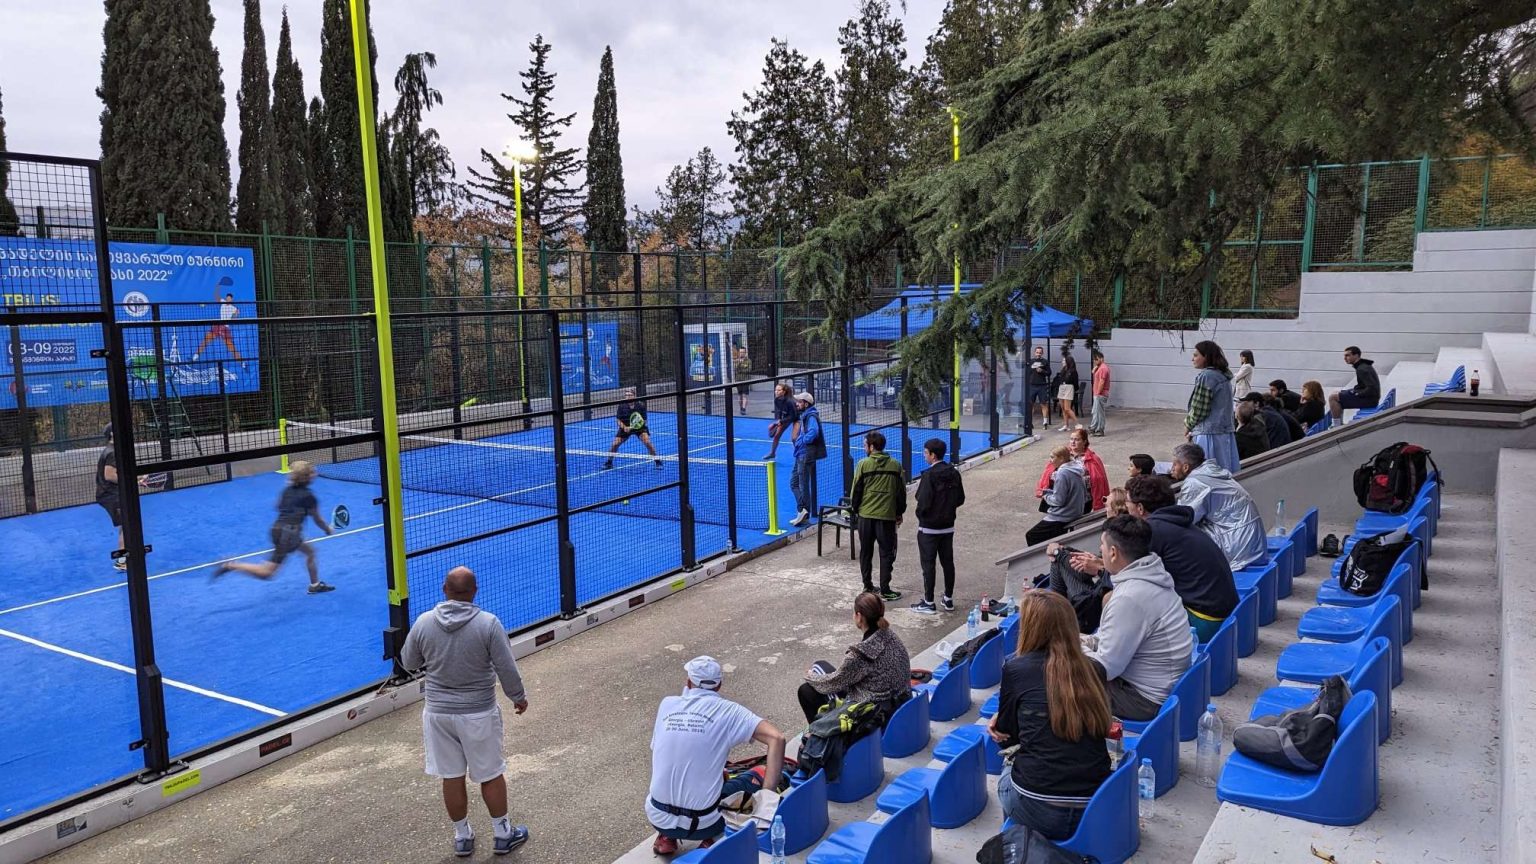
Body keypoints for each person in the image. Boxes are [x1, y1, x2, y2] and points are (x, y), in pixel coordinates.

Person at [399, 566, 531, 857]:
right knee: (490, 774)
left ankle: (462, 837)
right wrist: (518, 697)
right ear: (474, 591)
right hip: (478, 712)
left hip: (438, 713)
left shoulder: (424, 622)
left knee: (451, 776)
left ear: (444, 589)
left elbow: (408, 662)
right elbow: (506, 667)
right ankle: (502, 833)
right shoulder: (488, 624)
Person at [986, 590, 1112, 841]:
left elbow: (1008, 737)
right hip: (1095, 803)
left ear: (1030, 627)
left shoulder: (1016, 668)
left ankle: (1017, 845)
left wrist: (1003, 723)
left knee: (1006, 766)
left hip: (1037, 804)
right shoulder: (1095, 669)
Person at [647, 656, 786, 856]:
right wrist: (767, 799)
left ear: (688, 682)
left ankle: (666, 837)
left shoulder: (667, 704)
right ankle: (712, 839)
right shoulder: (730, 711)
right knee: (756, 775)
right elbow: (777, 738)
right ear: (719, 685)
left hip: (657, 817)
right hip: (705, 824)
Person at [1081, 516, 1193, 720]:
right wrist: (1085, 642)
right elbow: (1115, 642)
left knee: (1050, 677)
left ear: (1113, 552)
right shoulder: (1152, 575)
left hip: (1143, 700)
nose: (1100, 550)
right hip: (1162, 684)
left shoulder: (1129, 598)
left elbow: (1105, 668)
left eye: (1102, 546)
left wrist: (1068, 650)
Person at [1123, 475, 1238, 641]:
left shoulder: (1152, 530)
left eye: (1127, 503)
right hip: (1226, 615)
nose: (1125, 508)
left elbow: (1134, 576)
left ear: (1140, 508)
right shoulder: (1179, 524)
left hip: (1207, 621)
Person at [211, 461, 336, 593]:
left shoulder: (286, 491)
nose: (315, 474)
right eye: (312, 472)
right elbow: (318, 520)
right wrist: (327, 529)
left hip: (278, 529)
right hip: (289, 535)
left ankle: (315, 585)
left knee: (310, 551)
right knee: (267, 573)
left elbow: (278, 506)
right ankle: (231, 565)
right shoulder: (309, 497)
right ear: (306, 477)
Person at [799, 593, 913, 722]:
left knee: (806, 690)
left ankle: (820, 731)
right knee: (820, 665)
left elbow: (832, 684)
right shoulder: (890, 636)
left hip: (872, 714)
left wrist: (810, 676)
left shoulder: (860, 655)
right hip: (897, 703)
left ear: (859, 616)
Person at [1170, 442, 1267, 571]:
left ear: (1185, 467)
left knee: (1178, 535)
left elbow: (1185, 518)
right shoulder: (1212, 473)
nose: (1171, 469)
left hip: (1237, 548)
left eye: (1174, 464)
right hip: (1251, 543)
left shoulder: (1195, 482)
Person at [850, 431, 906, 601]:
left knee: (866, 552)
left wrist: (855, 510)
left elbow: (856, 490)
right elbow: (900, 492)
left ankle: (867, 586)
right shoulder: (896, 465)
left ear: (872, 447)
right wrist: (899, 513)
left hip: (866, 517)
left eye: (865, 445)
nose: (864, 447)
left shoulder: (863, 464)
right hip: (886, 517)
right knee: (887, 553)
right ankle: (885, 590)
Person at [912, 438, 965, 614]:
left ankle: (929, 602)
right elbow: (960, 499)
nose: (924, 455)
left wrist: (922, 516)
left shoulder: (929, 475)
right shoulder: (954, 473)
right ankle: (948, 599)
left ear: (933, 455)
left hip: (928, 528)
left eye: (926, 453)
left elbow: (923, 501)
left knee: (928, 565)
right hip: (948, 526)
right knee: (947, 563)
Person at [96, 424, 147, 572]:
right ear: (113, 434)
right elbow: (110, 476)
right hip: (111, 495)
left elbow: (119, 475)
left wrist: (136, 480)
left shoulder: (112, 450)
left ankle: (127, 555)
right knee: (127, 525)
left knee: (126, 524)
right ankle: (122, 561)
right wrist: (133, 481)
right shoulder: (112, 452)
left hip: (112, 493)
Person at [1185, 340, 1241, 474]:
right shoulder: (1222, 375)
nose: (1192, 359)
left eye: (1196, 355)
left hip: (1209, 434)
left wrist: (1188, 425)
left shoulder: (1207, 376)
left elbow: (1199, 408)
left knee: (1208, 472)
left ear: (1206, 357)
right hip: (1224, 432)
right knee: (1224, 470)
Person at [1026, 446, 1086, 546]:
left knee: (1032, 535)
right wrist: (1048, 492)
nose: (1050, 461)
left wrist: (1045, 496)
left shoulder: (1062, 473)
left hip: (1064, 515)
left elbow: (1058, 500)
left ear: (1061, 458)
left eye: (1052, 457)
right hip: (1075, 511)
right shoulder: (1076, 469)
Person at [789, 391, 825, 526]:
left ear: (806, 404)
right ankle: (803, 511)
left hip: (805, 455)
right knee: (794, 483)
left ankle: (803, 511)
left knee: (802, 484)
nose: (797, 404)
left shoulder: (811, 416)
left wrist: (802, 440)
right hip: (800, 454)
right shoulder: (806, 415)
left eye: (799, 402)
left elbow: (814, 432)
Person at [604, 388, 662, 469]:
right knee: (615, 444)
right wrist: (624, 427)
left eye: (630, 395)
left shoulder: (641, 405)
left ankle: (658, 461)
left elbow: (644, 421)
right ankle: (609, 462)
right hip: (625, 427)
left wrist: (634, 426)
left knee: (648, 443)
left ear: (634, 396)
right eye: (626, 395)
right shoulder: (621, 406)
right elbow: (618, 420)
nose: (628, 397)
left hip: (639, 428)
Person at [193, 279, 245, 364]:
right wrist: (217, 286)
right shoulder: (223, 302)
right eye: (227, 298)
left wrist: (236, 314)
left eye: (229, 298)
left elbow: (235, 316)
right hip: (218, 326)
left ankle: (241, 362)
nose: (228, 299)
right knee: (206, 339)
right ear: (226, 298)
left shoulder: (234, 308)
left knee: (230, 346)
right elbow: (216, 296)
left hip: (225, 328)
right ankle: (196, 355)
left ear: (231, 300)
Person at [1329, 345, 1381, 423]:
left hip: (1369, 401)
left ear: (1356, 355)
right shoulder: (1363, 365)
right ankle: (1339, 423)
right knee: (1337, 393)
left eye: (1347, 355)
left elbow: (1371, 388)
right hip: (1371, 398)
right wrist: (1355, 390)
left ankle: (1336, 426)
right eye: (1344, 356)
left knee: (1333, 398)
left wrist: (1357, 393)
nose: (1345, 358)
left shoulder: (1362, 369)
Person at [1069, 428, 1109, 512]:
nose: (1073, 442)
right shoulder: (1063, 455)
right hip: (1066, 497)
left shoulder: (1093, 458)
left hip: (1084, 499)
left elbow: (1099, 480)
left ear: (1084, 442)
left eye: (1077, 439)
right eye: (1071, 439)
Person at [763, 382, 801, 460]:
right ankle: (772, 453)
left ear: (783, 392)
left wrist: (781, 422)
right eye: (776, 390)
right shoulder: (777, 400)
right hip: (787, 417)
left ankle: (799, 454)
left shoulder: (790, 401)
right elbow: (780, 411)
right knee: (776, 436)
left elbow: (793, 416)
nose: (776, 392)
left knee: (794, 438)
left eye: (779, 390)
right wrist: (778, 421)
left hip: (797, 418)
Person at [1053, 347, 1080, 432]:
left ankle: (1077, 424)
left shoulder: (1073, 371)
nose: (1062, 362)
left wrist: (1076, 389)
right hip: (1062, 387)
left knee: (1067, 408)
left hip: (1069, 387)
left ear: (1068, 362)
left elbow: (1075, 382)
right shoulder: (1063, 370)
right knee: (1063, 408)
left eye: (1064, 361)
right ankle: (1066, 425)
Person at [1025, 345, 1052, 431]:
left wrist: (1042, 371)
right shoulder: (1031, 361)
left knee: (1043, 404)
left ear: (1042, 353)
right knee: (1030, 404)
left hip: (1042, 385)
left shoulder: (1045, 361)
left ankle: (1045, 422)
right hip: (1032, 385)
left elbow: (1049, 373)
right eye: (1037, 352)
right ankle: (1029, 422)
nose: (1038, 354)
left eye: (1040, 353)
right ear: (1034, 353)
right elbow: (1024, 370)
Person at [1087, 350, 1111, 436]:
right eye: (1094, 359)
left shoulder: (1103, 368)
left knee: (1099, 413)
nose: (1095, 361)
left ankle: (1099, 429)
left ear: (1101, 359)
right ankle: (1094, 428)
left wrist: (1098, 393)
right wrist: (1094, 369)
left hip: (1100, 394)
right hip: (1099, 394)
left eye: (1096, 359)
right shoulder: (1100, 367)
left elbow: (1102, 381)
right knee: (1096, 412)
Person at [733, 346, 751, 414]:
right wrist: (739, 363)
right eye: (740, 352)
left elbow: (749, 370)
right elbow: (735, 369)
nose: (742, 353)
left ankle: (744, 409)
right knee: (739, 395)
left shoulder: (748, 361)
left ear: (745, 353)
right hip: (738, 380)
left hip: (746, 380)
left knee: (744, 395)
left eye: (743, 352)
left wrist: (741, 370)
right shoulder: (736, 361)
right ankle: (741, 407)